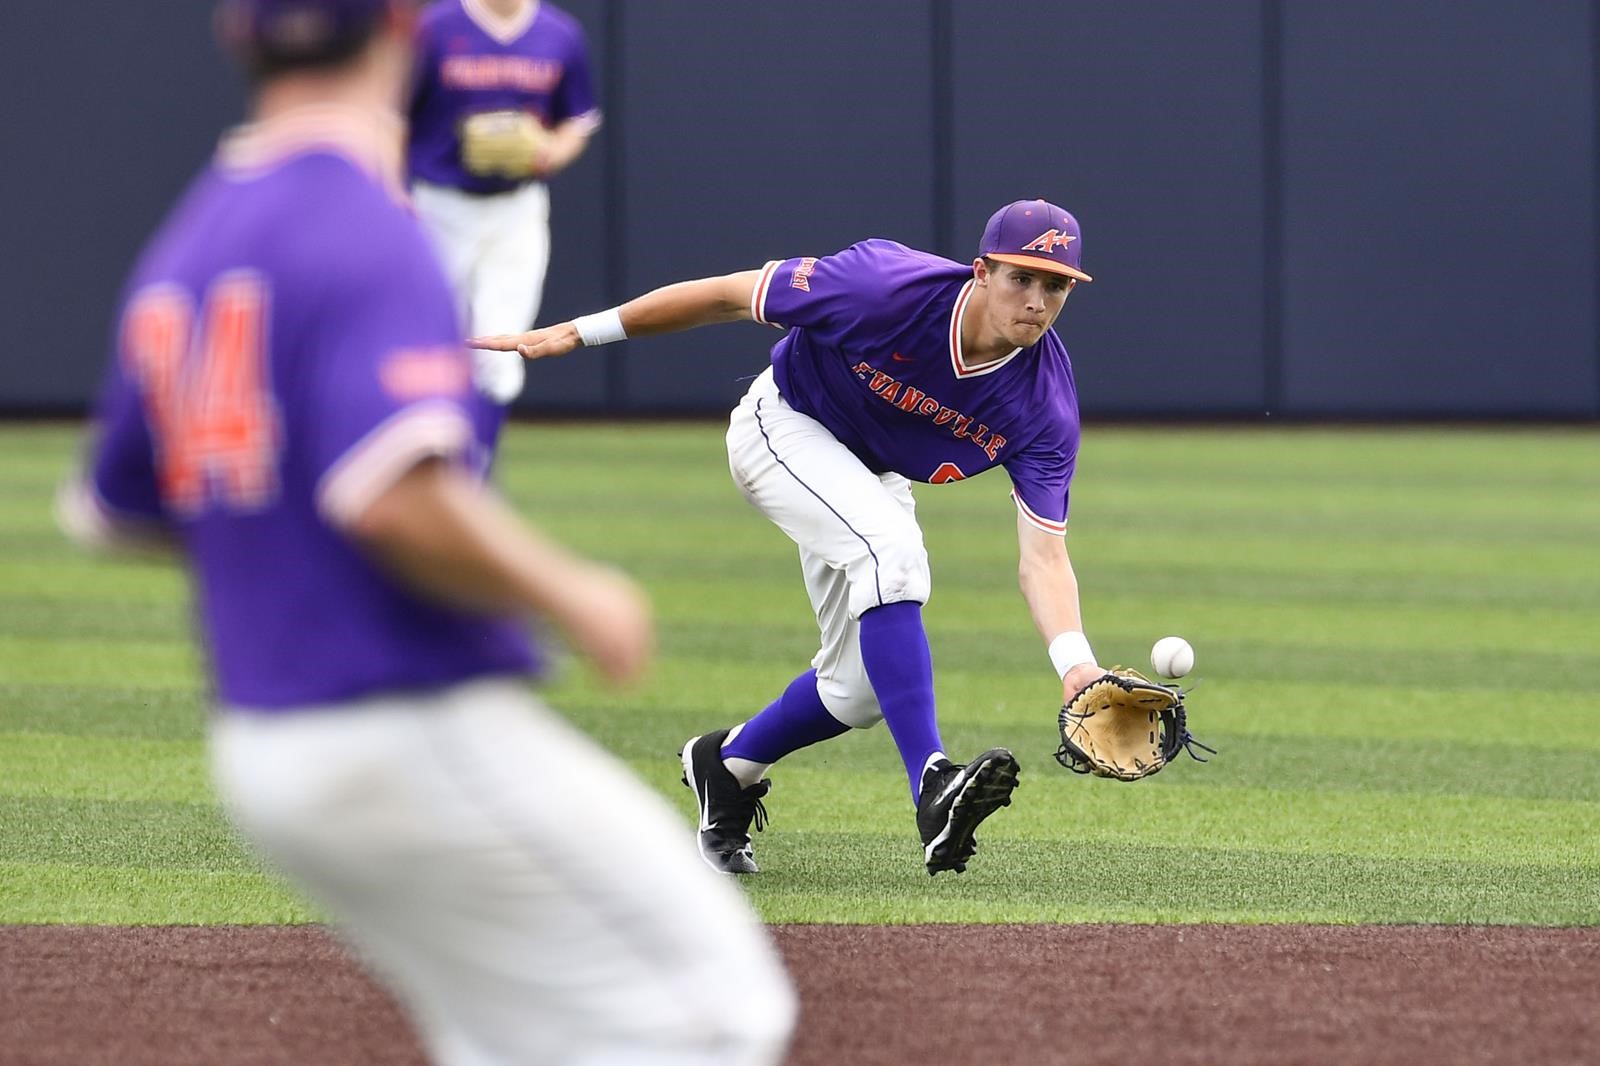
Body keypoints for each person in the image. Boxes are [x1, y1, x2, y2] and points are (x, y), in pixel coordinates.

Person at [55, 1, 794, 1062]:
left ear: (236, 37)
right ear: (407, 29)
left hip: (263, 746)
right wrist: (568, 589)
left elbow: (116, 507)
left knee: (498, 1029)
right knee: (720, 1007)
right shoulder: (363, 221)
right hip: (394, 719)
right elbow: (391, 495)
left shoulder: (196, 235)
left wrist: (280, 539)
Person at [472, 199, 1107, 878]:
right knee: (890, 555)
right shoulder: (883, 287)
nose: (1037, 300)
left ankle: (726, 763)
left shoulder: (1044, 405)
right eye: (1022, 277)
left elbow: (1044, 558)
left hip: (868, 475)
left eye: (1057, 284)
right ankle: (931, 783)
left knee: (859, 691)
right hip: (785, 428)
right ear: (980, 272)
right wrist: (578, 333)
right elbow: (723, 297)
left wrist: (1077, 666)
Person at [407, 0, 601, 444]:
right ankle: (428, 461)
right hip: (438, 203)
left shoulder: (558, 32)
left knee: (501, 346)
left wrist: (554, 149)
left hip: (517, 206)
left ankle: (478, 467)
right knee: (431, 342)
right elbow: (393, 115)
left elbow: (578, 120)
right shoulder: (435, 26)